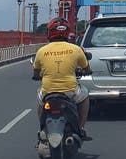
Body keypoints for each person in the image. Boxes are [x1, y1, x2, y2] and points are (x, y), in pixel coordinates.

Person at [33, 18, 91, 146]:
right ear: (67, 33)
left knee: (39, 98)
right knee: (85, 95)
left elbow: (36, 73)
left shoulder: (42, 51)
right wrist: (87, 71)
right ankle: (80, 128)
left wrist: (37, 76)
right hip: (70, 91)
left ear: (49, 33)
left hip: (48, 92)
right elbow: (87, 68)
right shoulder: (76, 49)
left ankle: (43, 128)